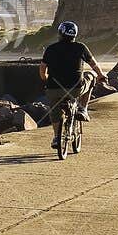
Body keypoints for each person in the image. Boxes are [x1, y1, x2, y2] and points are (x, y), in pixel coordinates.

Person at [38, 21, 107, 151]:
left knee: (55, 110)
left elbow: (42, 69)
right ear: (74, 34)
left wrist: (46, 79)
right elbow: (94, 65)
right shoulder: (81, 47)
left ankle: (56, 137)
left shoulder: (51, 48)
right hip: (75, 89)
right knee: (91, 75)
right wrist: (100, 75)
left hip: (54, 89)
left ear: (60, 33)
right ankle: (83, 109)